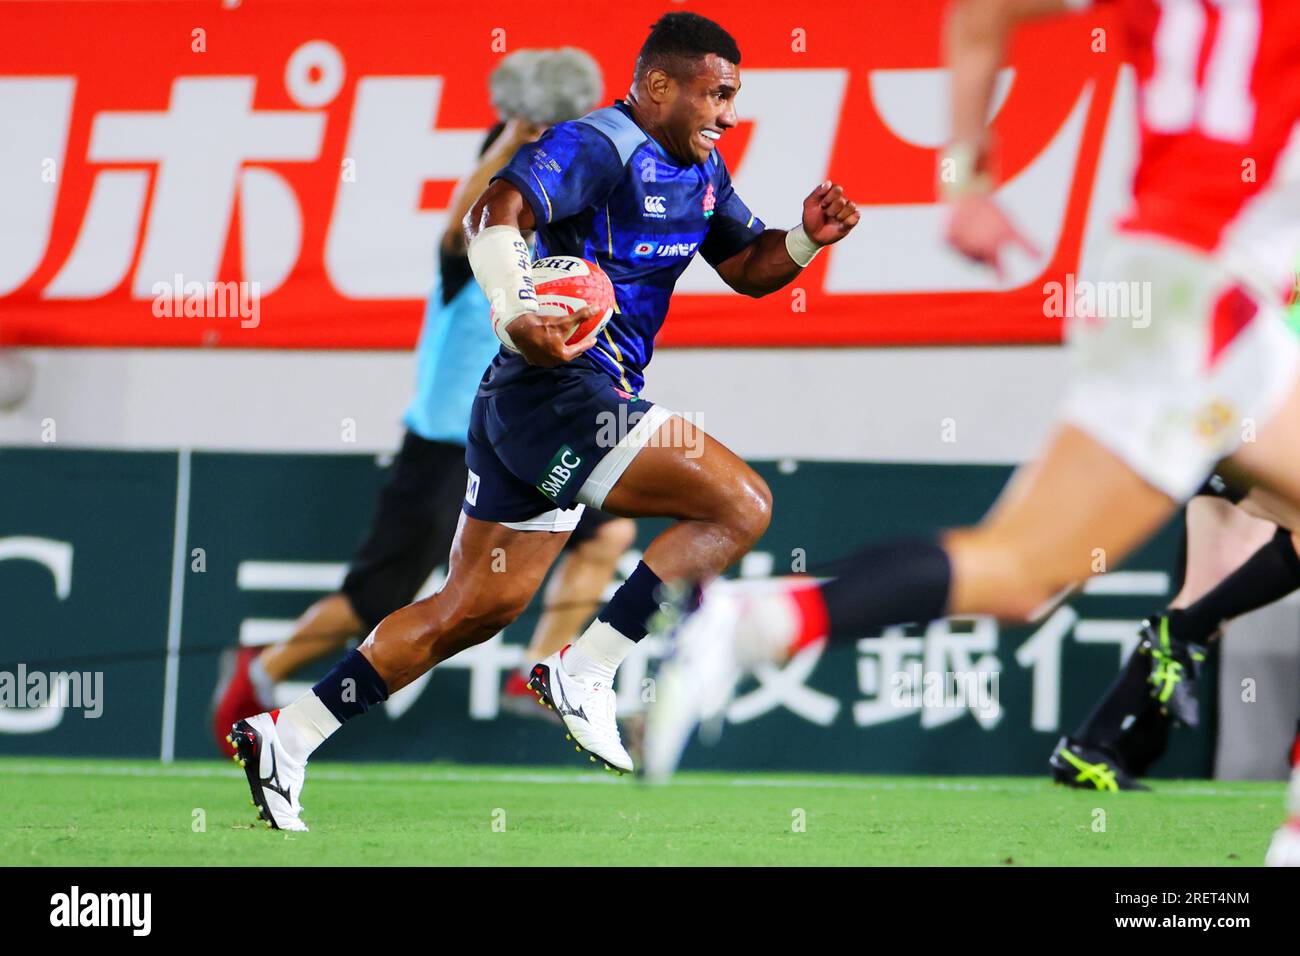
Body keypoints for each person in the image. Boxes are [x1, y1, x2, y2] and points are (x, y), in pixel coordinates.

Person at [643, 0, 1300, 867]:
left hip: (1190, 290)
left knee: (1025, 576)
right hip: (1204, 300)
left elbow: (983, 12)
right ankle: (751, 624)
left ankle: (759, 621)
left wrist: (966, 181)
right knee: (1024, 567)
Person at [226, 11, 860, 831]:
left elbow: (745, 266)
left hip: (531, 407)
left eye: (734, 97)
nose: (729, 114)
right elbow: (492, 215)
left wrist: (806, 241)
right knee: (740, 505)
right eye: (717, 94)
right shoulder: (598, 143)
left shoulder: (703, 170)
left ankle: (291, 734)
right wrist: (515, 305)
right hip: (559, 391)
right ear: (659, 85)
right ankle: (589, 669)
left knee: (470, 611)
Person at [210, 47, 636, 754]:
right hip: (444, 441)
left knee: (610, 532)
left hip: (530, 430)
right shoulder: (473, 248)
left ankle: (546, 670)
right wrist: (514, 137)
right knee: (378, 600)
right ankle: (265, 667)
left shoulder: (555, 256)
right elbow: (461, 223)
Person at [1051, 476, 1300, 790]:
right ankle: (1181, 637)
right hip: (1240, 441)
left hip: (1230, 442)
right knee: (1202, 612)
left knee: (1206, 598)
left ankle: (1103, 745)